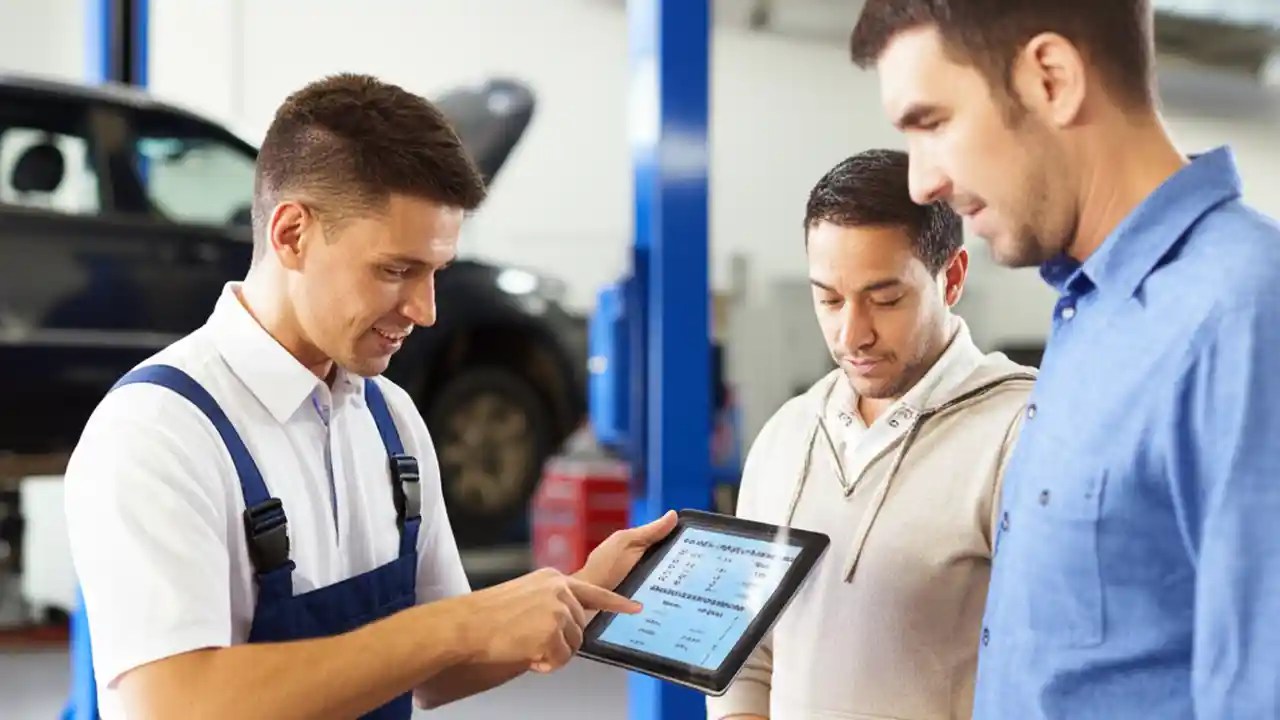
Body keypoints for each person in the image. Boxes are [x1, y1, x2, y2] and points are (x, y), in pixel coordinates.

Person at [62, 73, 677, 720]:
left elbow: (436, 671)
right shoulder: (157, 433)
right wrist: (457, 625)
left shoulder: (390, 422)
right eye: (395, 270)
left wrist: (575, 598)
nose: (425, 310)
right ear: (292, 234)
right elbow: (176, 703)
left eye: (434, 272)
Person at [849, 2, 1280, 718]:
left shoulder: (1243, 314)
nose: (921, 183)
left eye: (932, 123)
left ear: (1051, 79)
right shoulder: (1092, 310)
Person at [706, 149, 1036, 720]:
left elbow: (1053, 668)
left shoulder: (1021, 433)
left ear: (952, 277)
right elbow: (747, 652)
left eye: (885, 299)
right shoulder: (787, 435)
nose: (852, 334)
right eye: (829, 299)